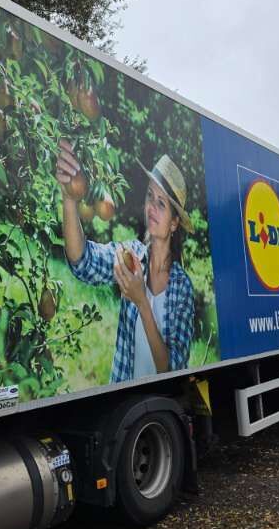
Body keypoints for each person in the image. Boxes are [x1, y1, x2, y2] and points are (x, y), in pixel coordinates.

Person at [56, 140, 195, 382]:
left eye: (161, 204)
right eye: (150, 196)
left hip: (162, 398)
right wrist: (69, 200)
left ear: (174, 223)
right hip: (127, 396)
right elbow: (83, 262)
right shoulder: (130, 255)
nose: (151, 207)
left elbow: (172, 369)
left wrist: (142, 301)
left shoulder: (182, 288)